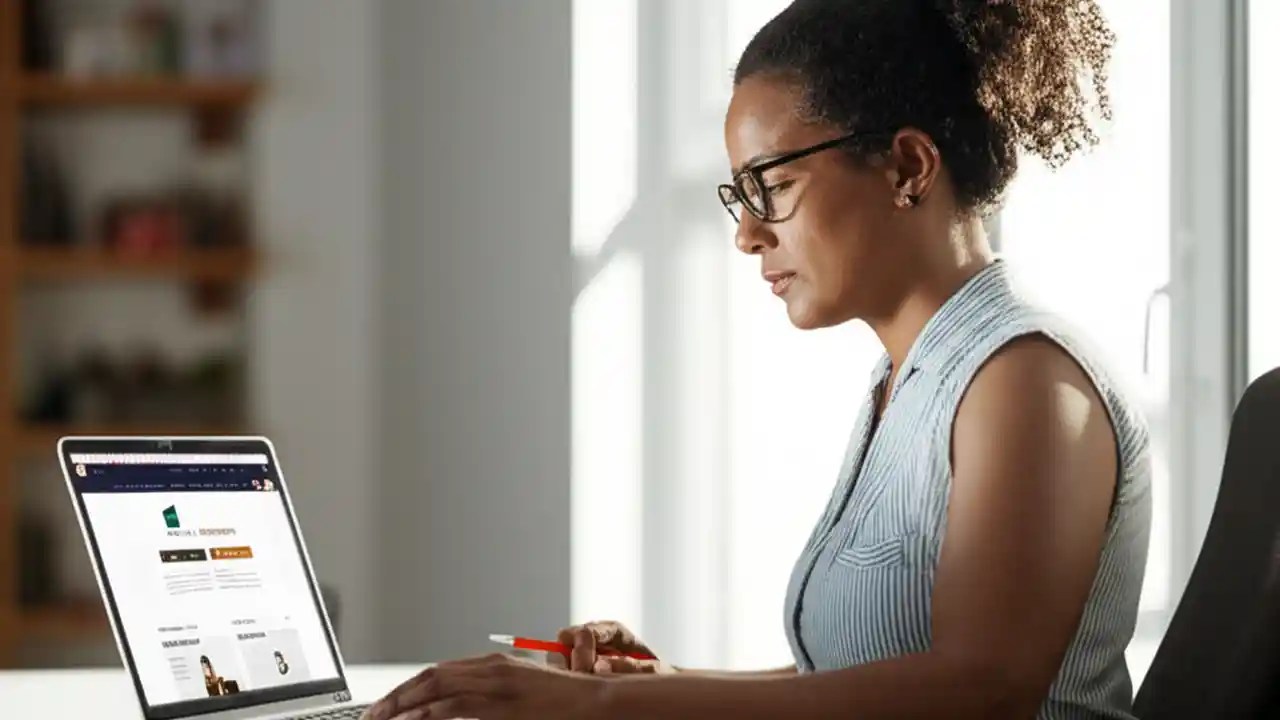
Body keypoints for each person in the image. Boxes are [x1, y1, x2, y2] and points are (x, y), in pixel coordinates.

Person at [363, 0, 1150, 718]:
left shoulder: (1025, 382)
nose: (747, 232)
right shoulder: (904, 386)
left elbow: (976, 689)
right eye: (738, 196)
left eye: (770, 185)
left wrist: (600, 712)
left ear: (908, 167)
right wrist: (656, 687)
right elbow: (866, 677)